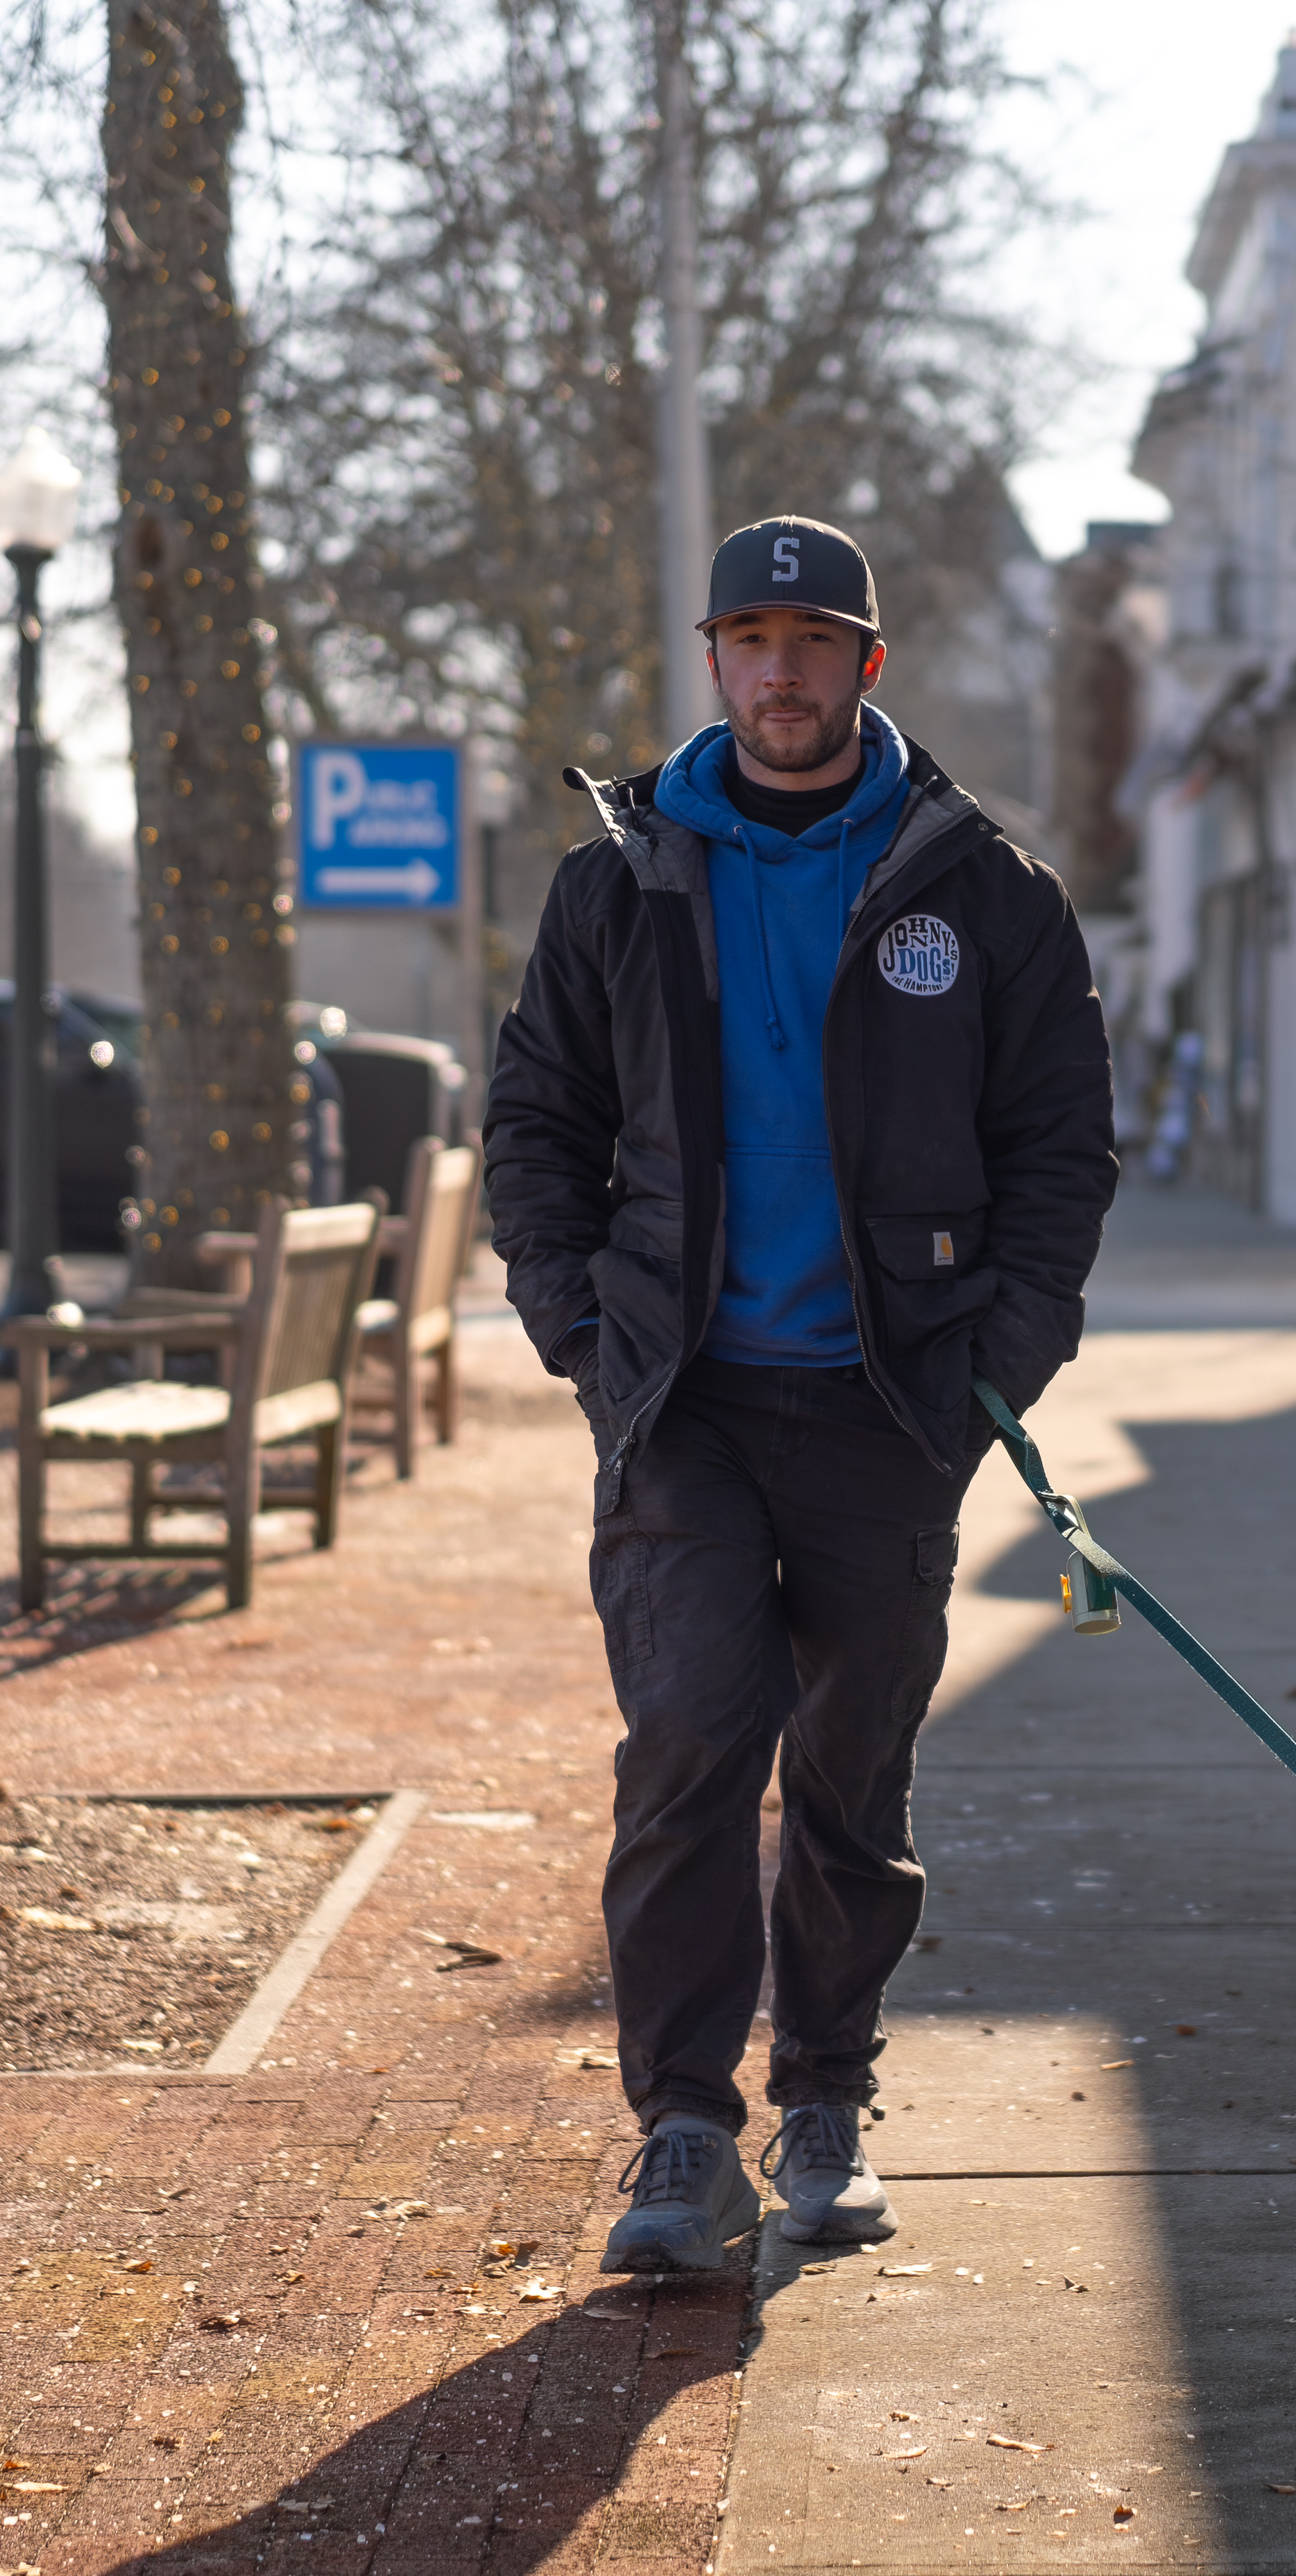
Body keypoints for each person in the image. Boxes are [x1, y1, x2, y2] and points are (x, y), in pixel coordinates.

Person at [484, 515, 1117, 2270]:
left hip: (887, 1405)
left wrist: (996, 1358)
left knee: (851, 1768)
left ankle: (825, 2098)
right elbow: (536, 1123)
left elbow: (1060, 1145)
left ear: (866, 663)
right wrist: (581, 1327)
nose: (781, 670)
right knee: (693, 1736)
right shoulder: (619, 884)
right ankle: (685, 2130)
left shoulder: (981, 890)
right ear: (713, 660)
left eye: (814, 639)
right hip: (681, 1401)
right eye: (751, 639)